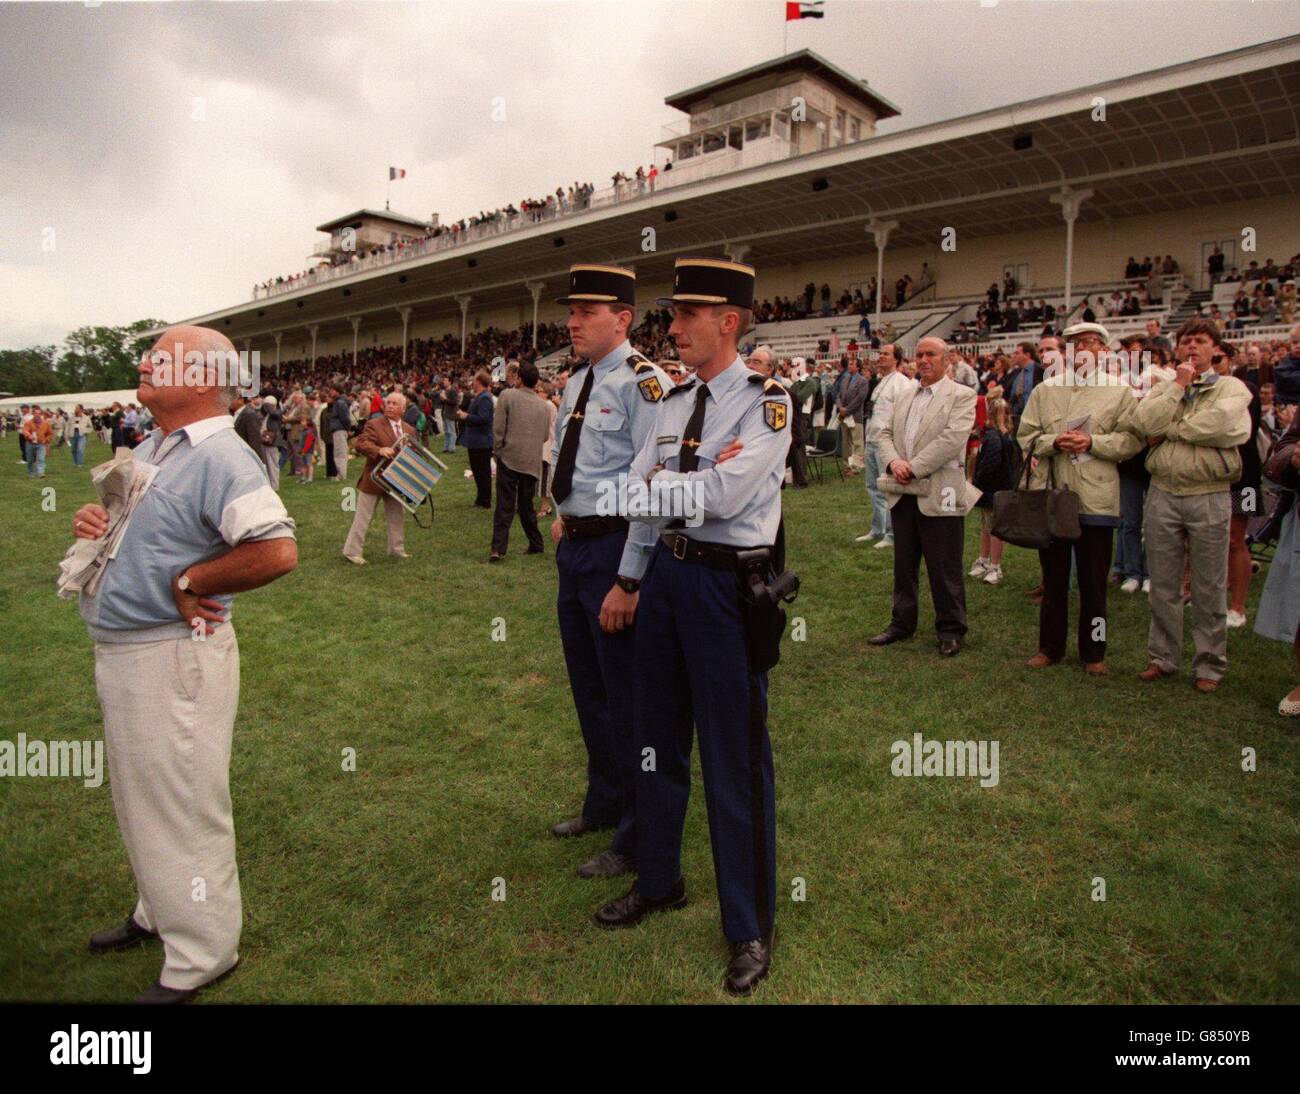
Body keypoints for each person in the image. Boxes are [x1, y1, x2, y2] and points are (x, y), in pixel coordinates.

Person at [70, 325, 297, 1003]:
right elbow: (139, 529)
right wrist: (93, 521)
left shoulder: (223, 455)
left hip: (171, 655)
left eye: (160, 357)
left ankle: (202, 953)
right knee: (141, 796)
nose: (145, 363)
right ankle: (160, 907)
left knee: (182, 803)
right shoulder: (156, 444)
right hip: (131, 650)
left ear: (201, 379)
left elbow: (276, 549)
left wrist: (195, 578)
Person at [594, 256, 789, 996]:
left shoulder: (768, 401)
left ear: (727, 322)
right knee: (655, 739)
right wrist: (635, 570)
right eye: (673, 315)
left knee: (734, 755)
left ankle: (749, 924)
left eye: (686, 315)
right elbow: (635, 496)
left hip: (724, 589)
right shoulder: (674, 400)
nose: (672, 328)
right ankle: (659, 879)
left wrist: (667, 483)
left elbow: (729, 496)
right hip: (669, 581)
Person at [547, 263, 671, 880]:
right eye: (572, 312)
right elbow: (572, 458)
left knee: (628, 696)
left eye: (587, 312)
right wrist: (563, 511)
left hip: (616, 548)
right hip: (577, 548)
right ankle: (605, 800)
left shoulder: (644, 384)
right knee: (589, 688)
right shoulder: (579, 380)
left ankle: (639, 832)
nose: (573, 322)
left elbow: (653, 483)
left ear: (622, 319)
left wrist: (630, 578)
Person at [1016, 322, 1143, 675]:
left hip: (1096, 497)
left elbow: (1132, 440)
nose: (1082, 349)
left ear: (1104, 350)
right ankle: (1049, 647)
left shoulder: (1119, 391)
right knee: (1054, 580)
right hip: (1053, 495)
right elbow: (1026, 435)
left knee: (1094, 585)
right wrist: (1054, 441)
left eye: (1090, 343)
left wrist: (1093, 443)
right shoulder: (1045, 390)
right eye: (1074, 344)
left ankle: (1094, 651)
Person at [1134, 319, 1251, 693]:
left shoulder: (1232, 388)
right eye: (1186, 341)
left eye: (1200, 341)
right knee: (1163, 582)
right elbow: (1144, 422)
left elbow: (1224, 426)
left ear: (1215, 348)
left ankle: (1209, 665)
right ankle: (1162, 657)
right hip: (1163, 491)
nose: (1192, 347)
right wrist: (1178, 388)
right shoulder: (1166, 387)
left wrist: (1171, 429)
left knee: (1209, 583)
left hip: (1209, 492)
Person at [868, 336, 978, 656]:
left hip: (941, 491)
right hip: (903, 491)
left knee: (944, 566)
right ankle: (902, 623)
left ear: (947, 360)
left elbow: (951, 440)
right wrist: (894, 462)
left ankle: (951, 629)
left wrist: (913, 467)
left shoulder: (962, 395)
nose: (924, 360)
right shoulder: (904, 394)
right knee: (904, 565)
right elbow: (883, 433)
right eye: (920, 354)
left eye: (931, 354)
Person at [1255, 415, 1300, 714]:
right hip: (1246, 489)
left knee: (1235, 539)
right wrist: (1294, 457)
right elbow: (1283, 447)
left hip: (1239, 482)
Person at [341, 391, 416, 565]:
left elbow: (412, 452)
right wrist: (379, 450)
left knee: (397, 516)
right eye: (388, 403)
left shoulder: (409, 429)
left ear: (403, 409)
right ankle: (352, 551)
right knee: (363, 517)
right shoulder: (374, 424)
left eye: (395, 404)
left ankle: (396, 549)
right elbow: (361, 444)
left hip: (396, 480)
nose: (390, 406)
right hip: (374, 478)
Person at [490, 361, 551, 560]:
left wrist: (498, 451)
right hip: (531, 461)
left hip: (509, 457)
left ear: (519, 378)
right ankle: (536, 543)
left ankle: (498, 549)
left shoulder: (507, 395)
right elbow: (544, 436)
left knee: (505, 505)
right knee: (526, 506)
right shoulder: (544, 405)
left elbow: (498, 428)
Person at [858, 344, 914, 547]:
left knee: (890, 489)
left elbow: (905, 415)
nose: (880, 356)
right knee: (873, 487)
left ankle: (892, 534)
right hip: (872, 440)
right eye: (880, 353)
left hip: (887, 444)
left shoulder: (902, 383)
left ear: (896, 359)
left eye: (886, 354)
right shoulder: (881, 382)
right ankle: (878, 528)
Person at [969, 397, 1016, 586]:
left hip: (994, 490)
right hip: (997, 489)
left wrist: (978, 482)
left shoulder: (994, 437)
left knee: (994, 529)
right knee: (986, 527)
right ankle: (984, 560)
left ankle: (995, 566)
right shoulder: (1004, 436)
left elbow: (990, 464)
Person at [458, 372, 494, 508]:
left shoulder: (484, 397)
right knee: (478, 471)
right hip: (475, 441)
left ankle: (485, 500)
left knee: (482, 472)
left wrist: (466, 416)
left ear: (479, 381)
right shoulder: (479, 396)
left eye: (474, 380)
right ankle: (481, 498)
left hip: (481, 442)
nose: (472, 383)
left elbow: (484, 418)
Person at [327, 386, 353, 481]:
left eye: (332, 390)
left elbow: (345, 418)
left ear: (337, 391)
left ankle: (341, 475)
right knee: (339, 452)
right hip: (339, 429)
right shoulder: (338, 402)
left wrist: (347, 429)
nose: (331, 392)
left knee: (340, 453)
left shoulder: (340, 402)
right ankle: (341, 474)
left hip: (340, 430)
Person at [22, 407, 52, 477]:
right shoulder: (28, 423)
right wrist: (29, 436)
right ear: (33, 414)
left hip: (41, 444)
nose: (37, 415)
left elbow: (49, 433)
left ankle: (40, 473)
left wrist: (46, 440)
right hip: (30, 443)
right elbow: (25, 431)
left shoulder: (46, 423)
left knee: (41, 458)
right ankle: (31, 473)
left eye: (39, 413)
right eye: (35, 413)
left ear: (41, 414)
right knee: (30, 460)